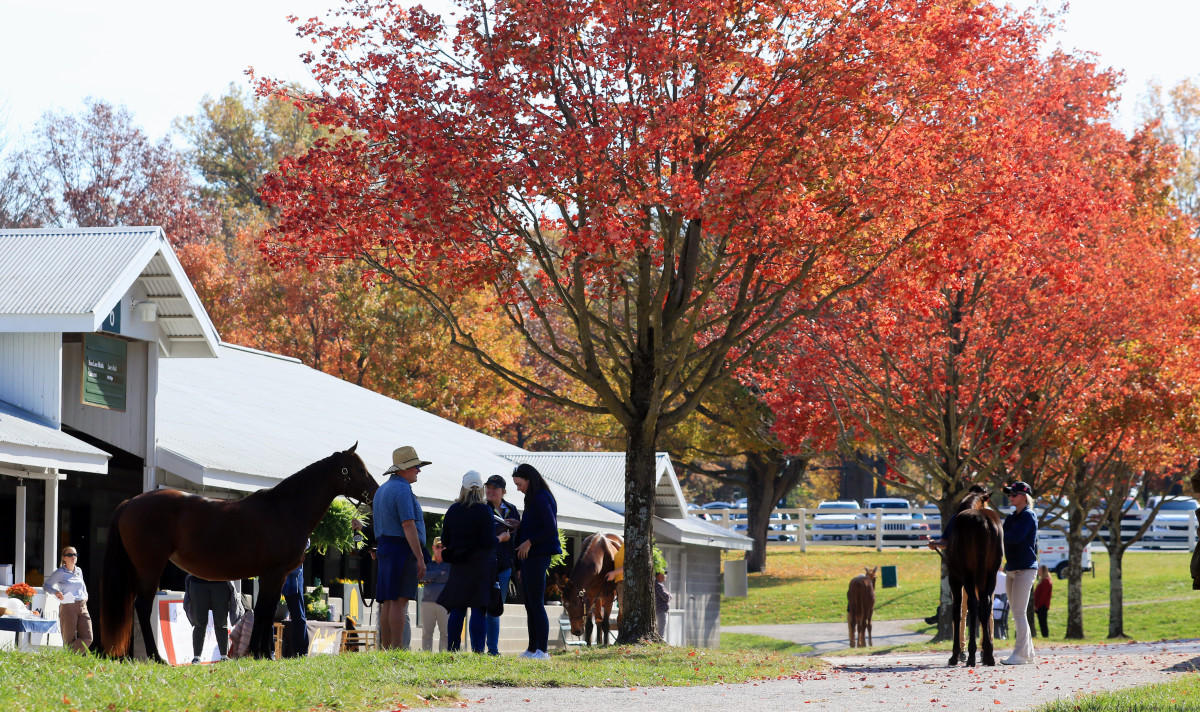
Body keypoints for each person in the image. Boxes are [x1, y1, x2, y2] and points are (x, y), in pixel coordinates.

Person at [373, 445, 431, 649]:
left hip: (386, 549)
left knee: (388, 602)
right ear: (403, 468)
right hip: (401, 549)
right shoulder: (402, 489)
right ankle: (396, 650)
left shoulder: (381, 490)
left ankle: (386, 649)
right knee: (399, 601)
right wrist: (420, 557)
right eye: (415, 466)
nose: (418, 470)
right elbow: (408, 525)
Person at [438, 470, 498, 653]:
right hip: (480, 566)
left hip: (459, 565)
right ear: (480, 489)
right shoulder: (485, 510)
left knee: (457, 608)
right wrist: (501, 538)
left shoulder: (453, 510)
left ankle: (453, 649)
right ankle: (478, 650)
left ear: (462, 488)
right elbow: (488, 541)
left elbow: (445, 540)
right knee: (479, 608)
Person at [513, 462, 560, 660]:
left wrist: (529, 542)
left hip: (538, 556)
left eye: (519, 484)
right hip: (529, 557)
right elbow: (536, 524)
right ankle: (532, 648)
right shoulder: (531, 499)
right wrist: (520, 525)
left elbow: (550, 527)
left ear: (529, 480)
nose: (518, 488)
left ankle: (543, 650)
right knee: (530, 604)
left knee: (537, 603)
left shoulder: (541, 498)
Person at [1001, 480, 1038, 665]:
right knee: (1017, 613)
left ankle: (1020, 655)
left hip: (1025, 569)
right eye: (1010, 494)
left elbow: (1015, 538)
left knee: (1019, 612)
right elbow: (1002, 539)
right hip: (1011, 568)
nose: (1010, 496)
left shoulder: (1028, 516)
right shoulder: (1011, 518)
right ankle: (1028, 654)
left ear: (1024, 497)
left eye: (1014, 494)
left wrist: (997, 533)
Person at [484, 474, 521, 655]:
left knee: (496, 607)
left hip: (505, 566)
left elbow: (519, 539)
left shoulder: (512, 509)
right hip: (485, 564)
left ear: (503, 491)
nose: (490, 491)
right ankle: (480, 648)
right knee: (482, 606)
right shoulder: (481, 508)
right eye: (488, 487)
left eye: (494, 488)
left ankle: (493, 650)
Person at [42, 546, 92, 654]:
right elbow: (46, 585)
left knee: (88, 637)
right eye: (70, 555)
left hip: (82, 605)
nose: (73, 557)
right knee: (69, 639)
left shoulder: (78, 570)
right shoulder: (60, 572)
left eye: (75, 554)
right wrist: (56, 592)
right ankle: (70, 660)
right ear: (64, 558)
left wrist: (86, 596)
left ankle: (66, 654)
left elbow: (82, 586)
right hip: (68, 605)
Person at [183, 574, 241, 663]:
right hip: (197, 581)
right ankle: (196, 657)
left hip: (220, 581)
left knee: (221, 622)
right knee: (199, 623)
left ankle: (224, 656)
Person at [421, 537, 450, 652]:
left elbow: (448, 577)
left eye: (443, 547)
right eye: (438, 547)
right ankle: (426, 657)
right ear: (433, 548)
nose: (440, 549)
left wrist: (431, 576)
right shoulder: (428, 564)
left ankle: (444, 657)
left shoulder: (450, 564)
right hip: (427, 602)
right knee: (427, 634)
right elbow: (422, 576)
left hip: (444, 603)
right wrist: (438, 573)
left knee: (445, 634)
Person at [282, 561, 309, 657]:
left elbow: (305, 545)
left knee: (299, 614)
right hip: (276, 569)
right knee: (268, 614)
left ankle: (302, 653)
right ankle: (268, 650)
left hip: (294, 574)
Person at [606, 540, 625, 618]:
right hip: (620, 584)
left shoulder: (632, 546)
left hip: (625, 584)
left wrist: (614, 573)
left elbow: (629, 565)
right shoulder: (623, 546)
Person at [1033, 564, 1053, 638]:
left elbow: (1043, 596)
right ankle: (1044, 635)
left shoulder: (1046, 581)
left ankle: (1045, 635)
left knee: (1043, 622)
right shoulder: (1042, 580)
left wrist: (1037, 605)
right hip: (1040, 605)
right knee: (1041, 621)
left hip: (1042, 605)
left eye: (1039, 569)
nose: (1038, 571)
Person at [654, 570, 672, 639]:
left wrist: (669, 594)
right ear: (659, 575)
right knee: (661, 629)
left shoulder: (660, 584)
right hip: (660, 610)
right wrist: (670, 595)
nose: (665, 576)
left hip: (661, 610)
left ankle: (660, 641)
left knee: (662, 628)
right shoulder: (658, 585)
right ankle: (659, 643)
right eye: (664, 574)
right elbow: (666, 597)